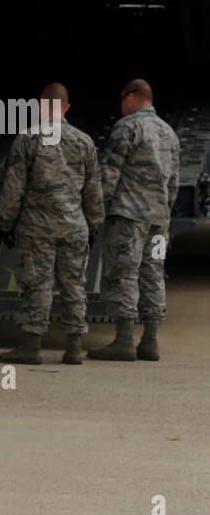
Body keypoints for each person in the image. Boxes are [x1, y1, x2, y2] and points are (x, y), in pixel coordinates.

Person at [0, 83, 103, 365]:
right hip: (74, 227)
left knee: (37, 285)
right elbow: (93, 190)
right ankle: (74, 347)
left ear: (40, 105)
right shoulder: (84, 141)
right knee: (74, 285)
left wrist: (6, 223)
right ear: (67, 107)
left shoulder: (27, 140)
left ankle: (32, 346)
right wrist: (94, 224)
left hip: (36, 229)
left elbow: (13, 189)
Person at [90, 79, 180, 361]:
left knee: (124, 273)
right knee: (153, 273)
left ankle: (124, 340)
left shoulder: (127, 126)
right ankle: (150, 341)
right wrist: (164, 212)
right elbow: (174, 182)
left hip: (129, 217)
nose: (121, 107)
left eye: (122, 100)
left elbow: (110, 173)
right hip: (158, 221)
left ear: (131, 97)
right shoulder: (170, 133)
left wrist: (96, 212)